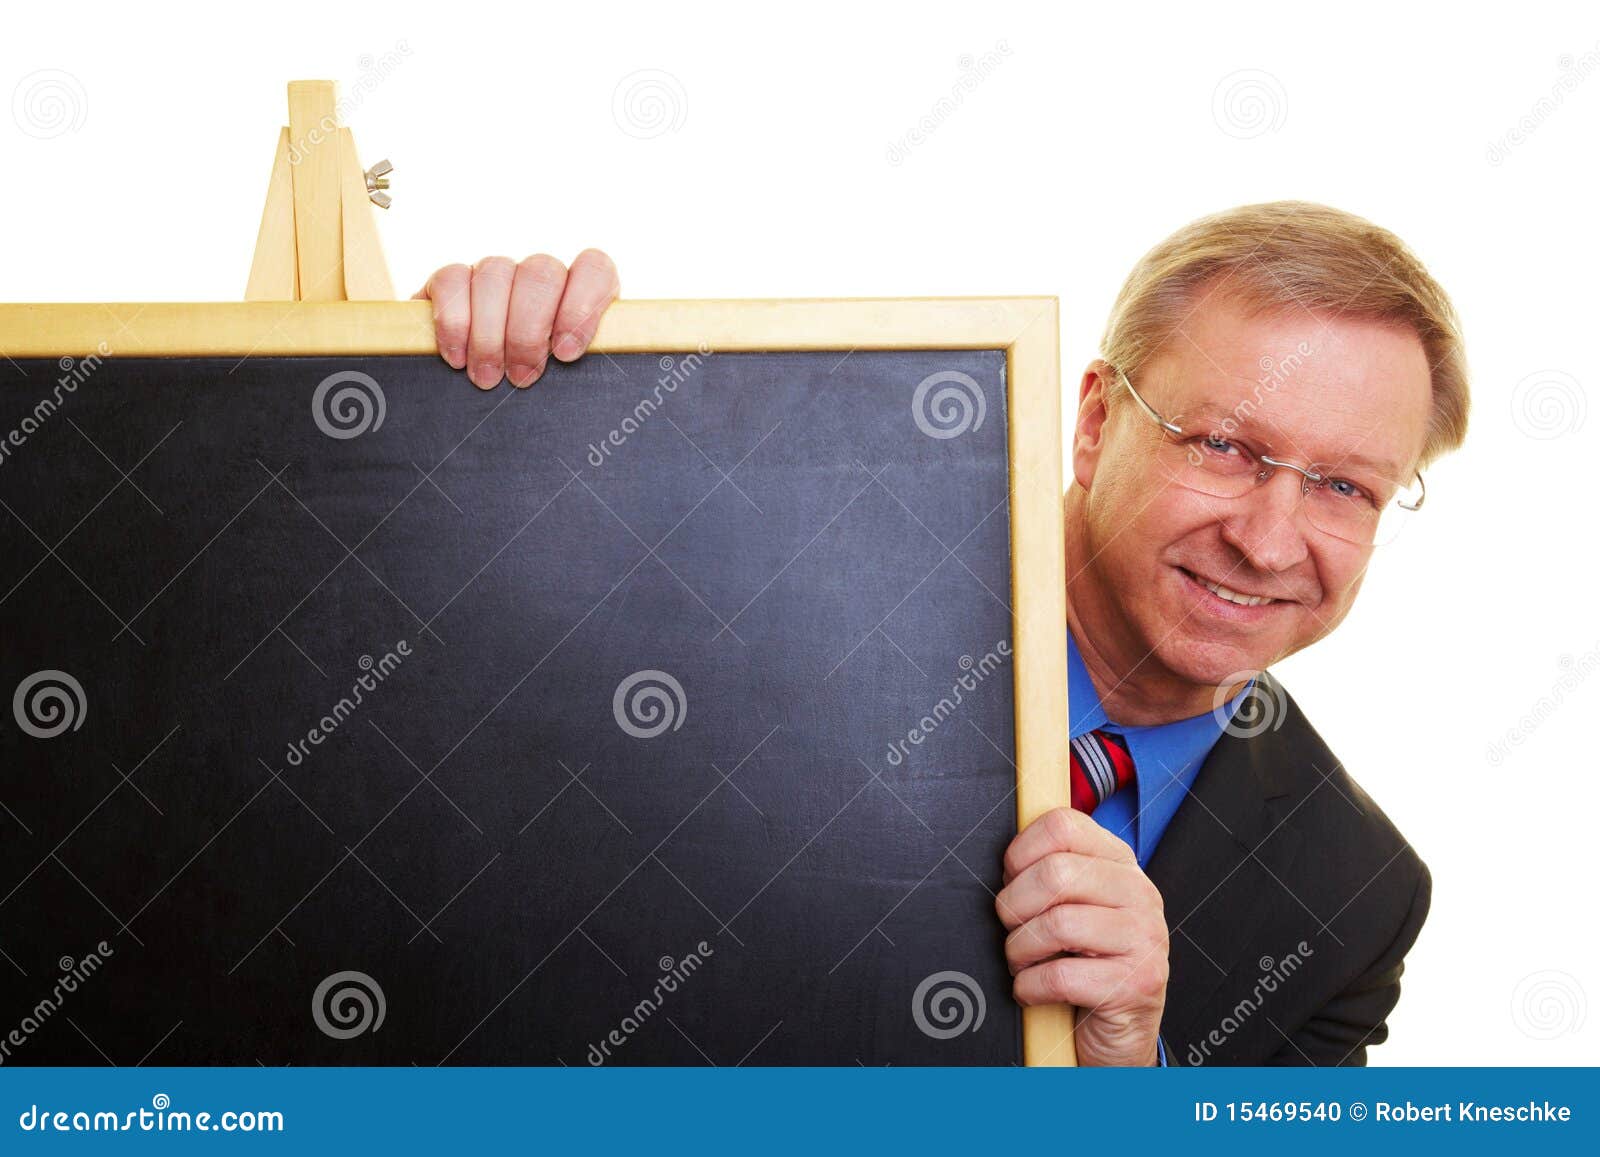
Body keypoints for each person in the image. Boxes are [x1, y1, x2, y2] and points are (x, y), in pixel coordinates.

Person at [415, 201, 1467, 1067]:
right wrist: (483, 400)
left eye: (1342, 484)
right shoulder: (775, 565)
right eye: (1228, 446)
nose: (1269, 538)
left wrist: (1129, 1082)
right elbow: (488, 652)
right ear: (1096, 420)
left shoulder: (1354, 896)